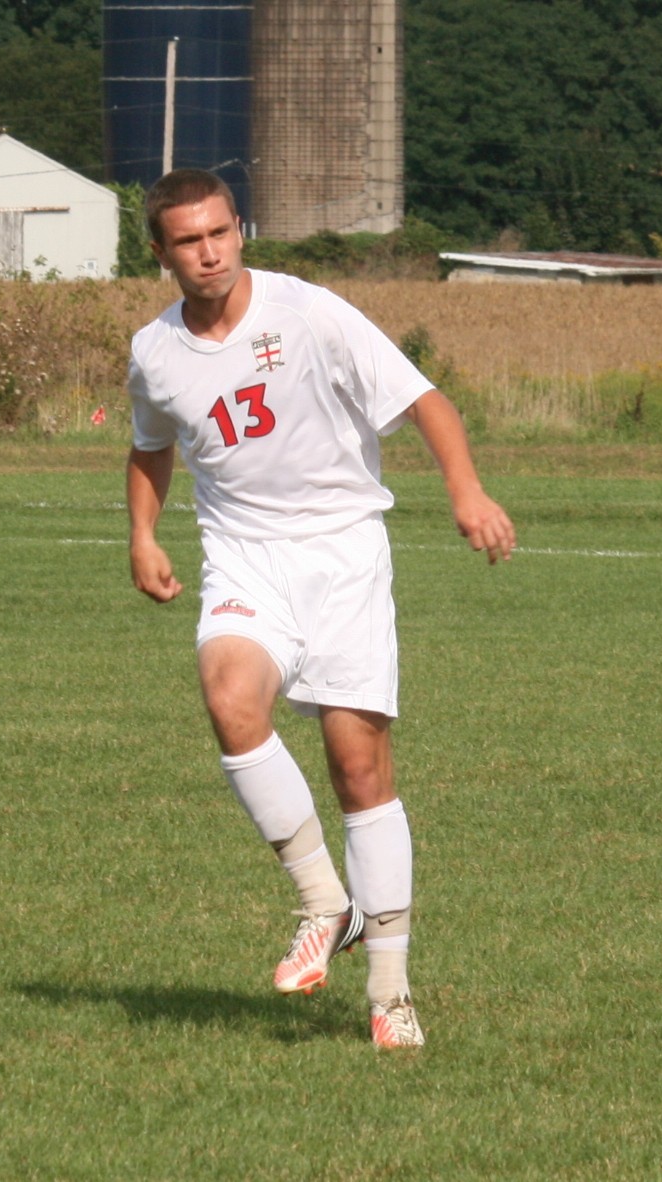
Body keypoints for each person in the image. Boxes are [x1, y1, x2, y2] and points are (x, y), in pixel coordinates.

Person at [126, 168, 515, 1049]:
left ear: (239, 229)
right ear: (160, 254)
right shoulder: (153, 351)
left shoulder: (307, 311)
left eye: (220, 232)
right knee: (229, 699)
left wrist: (465, 493)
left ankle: (389, 992)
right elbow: (151, 445)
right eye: (188, 241)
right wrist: (143, 536)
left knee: (358, 768)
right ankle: (322, 901)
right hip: (243, 558)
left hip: (342, 555)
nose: (208, 252)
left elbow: (425, 402)